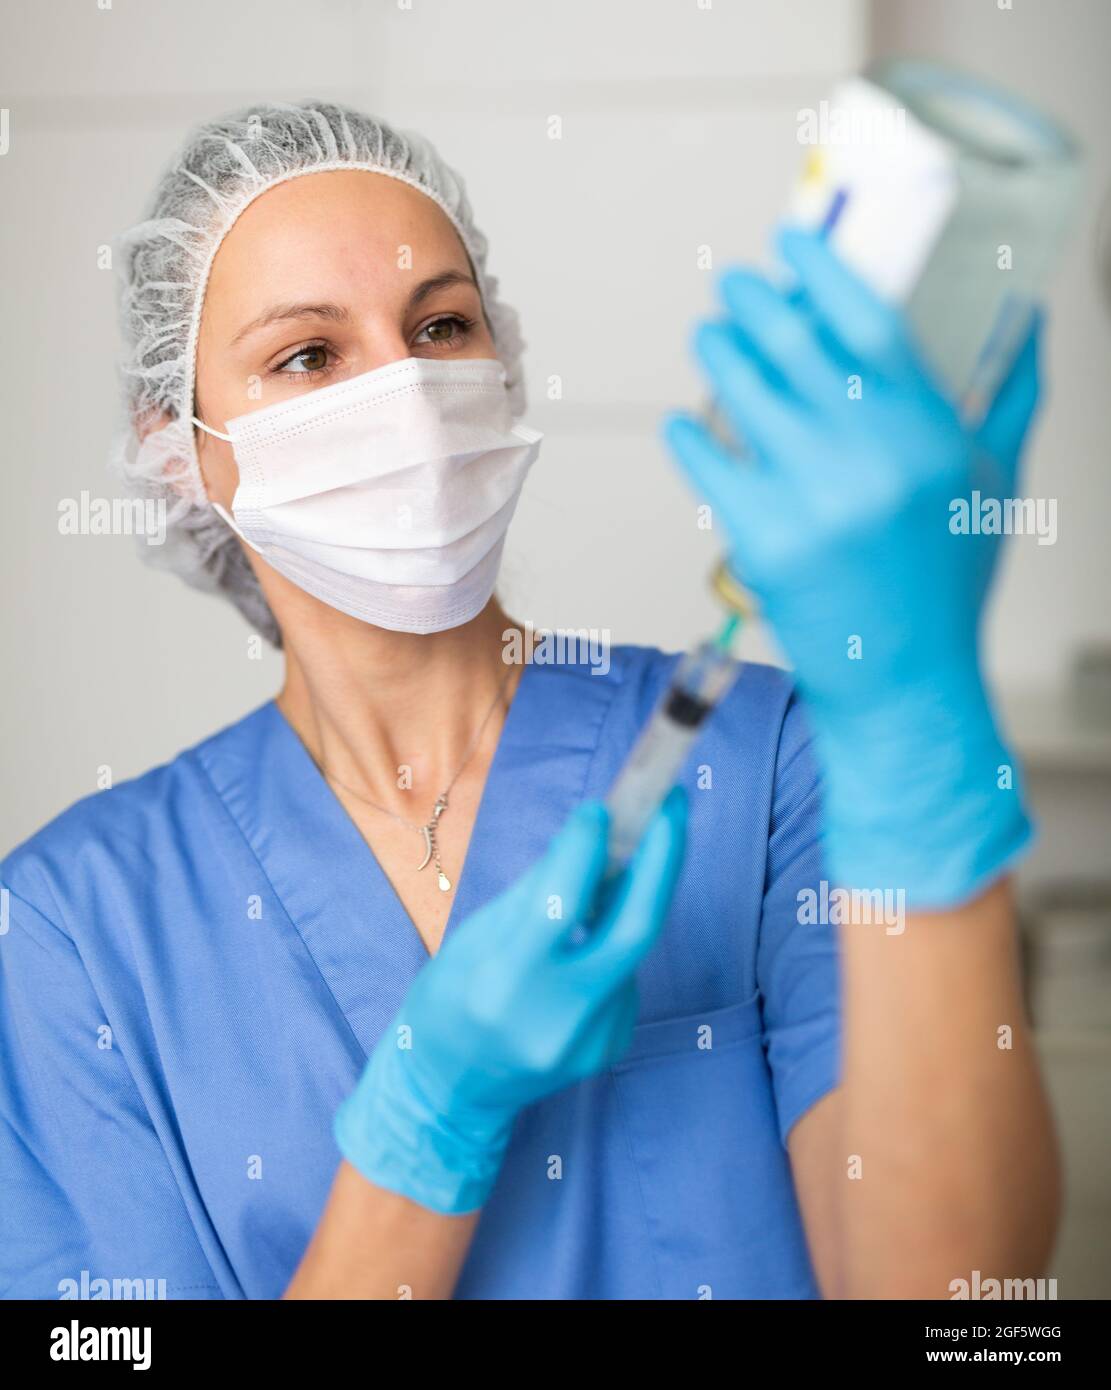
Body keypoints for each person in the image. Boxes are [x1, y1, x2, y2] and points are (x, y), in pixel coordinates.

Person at [0, 101, 1058, 1301]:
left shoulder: (776, 765)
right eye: (309, 355)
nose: (402, 390)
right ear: (181, 450)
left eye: (440, 324)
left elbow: (957, 1305)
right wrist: (424, 1128)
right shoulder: (71, 927)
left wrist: (917, 712)